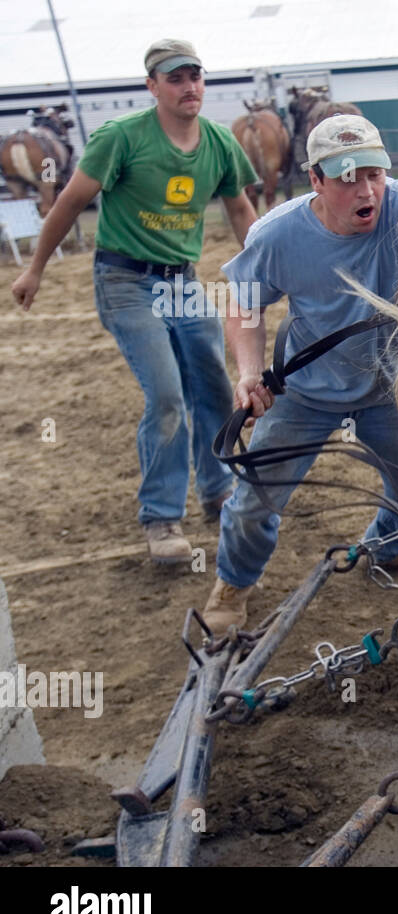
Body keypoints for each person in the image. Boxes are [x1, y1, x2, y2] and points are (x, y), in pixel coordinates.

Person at [11, 39, 259, 564]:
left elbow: (240, 210)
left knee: (213, 386)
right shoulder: (120, 138)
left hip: (183, 282)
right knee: (167, 394)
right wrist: (34, 268)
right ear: (152, 86)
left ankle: (217, 492)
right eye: (175, 78)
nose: (189, 86)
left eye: (195, 76)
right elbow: (70, 202)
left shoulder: (218, 142)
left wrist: (269, 267)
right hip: (124, 279)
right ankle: (162, 517)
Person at [203, 114, 398, 632]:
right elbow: (242, 302)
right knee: (255, 497)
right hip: (306, 389)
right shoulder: (278, 235)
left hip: (388, 387)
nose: (366, 191)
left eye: (374, 174)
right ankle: (232, 582)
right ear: (315, 179)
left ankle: (385, 547)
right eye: (346, 178)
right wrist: (249, 372)